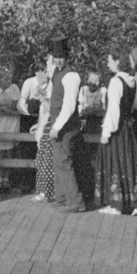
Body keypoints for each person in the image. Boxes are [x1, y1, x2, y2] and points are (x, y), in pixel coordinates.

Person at [95, 53, 137, 215]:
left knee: (114, 162)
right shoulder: (133, 81)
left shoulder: (115, 81)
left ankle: (117, 204)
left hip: (117, 129)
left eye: (110, 60)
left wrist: (106, 132)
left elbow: (113, 110)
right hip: (128, 127)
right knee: (127, 162)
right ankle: (129, 201)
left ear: (118, 62)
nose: (107, 63)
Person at [45, 37, 85, 213]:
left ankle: (76, 202)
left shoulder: (71, 76)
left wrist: (57, 126)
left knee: (64, 161)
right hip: (57, 122)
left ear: (68, 57)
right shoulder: (56, 72)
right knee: (58, 160)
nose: (59, 60)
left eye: (62, 56)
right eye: (56, 56)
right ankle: (62, 197)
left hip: (66, 125)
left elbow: (69, 105)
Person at [0, 67, 21, 194]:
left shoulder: (15, 88)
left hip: (12, 122)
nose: (9, 81)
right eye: (6, 79)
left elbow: (15, 104)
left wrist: (4, 107)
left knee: (9, 150)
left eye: (10, 79)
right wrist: (3, 108)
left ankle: (6, 178)